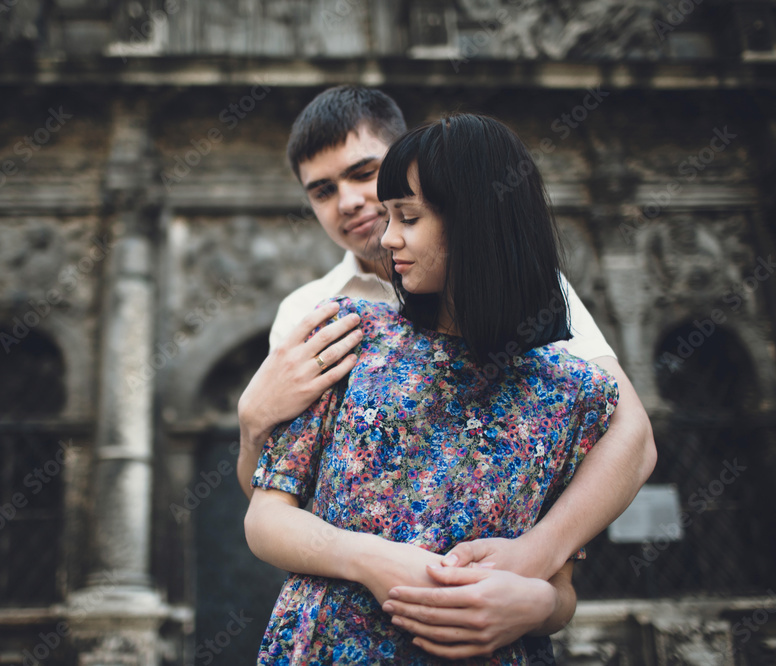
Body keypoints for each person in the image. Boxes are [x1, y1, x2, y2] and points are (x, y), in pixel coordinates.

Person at [237, 86, 656, 657]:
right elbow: (275, 497)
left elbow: (626, 435)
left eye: (367, 175)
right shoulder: (320, 317)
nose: (353, 202)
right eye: (323, 190)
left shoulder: (540, 323)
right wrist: (251, 422)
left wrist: (536, 575)